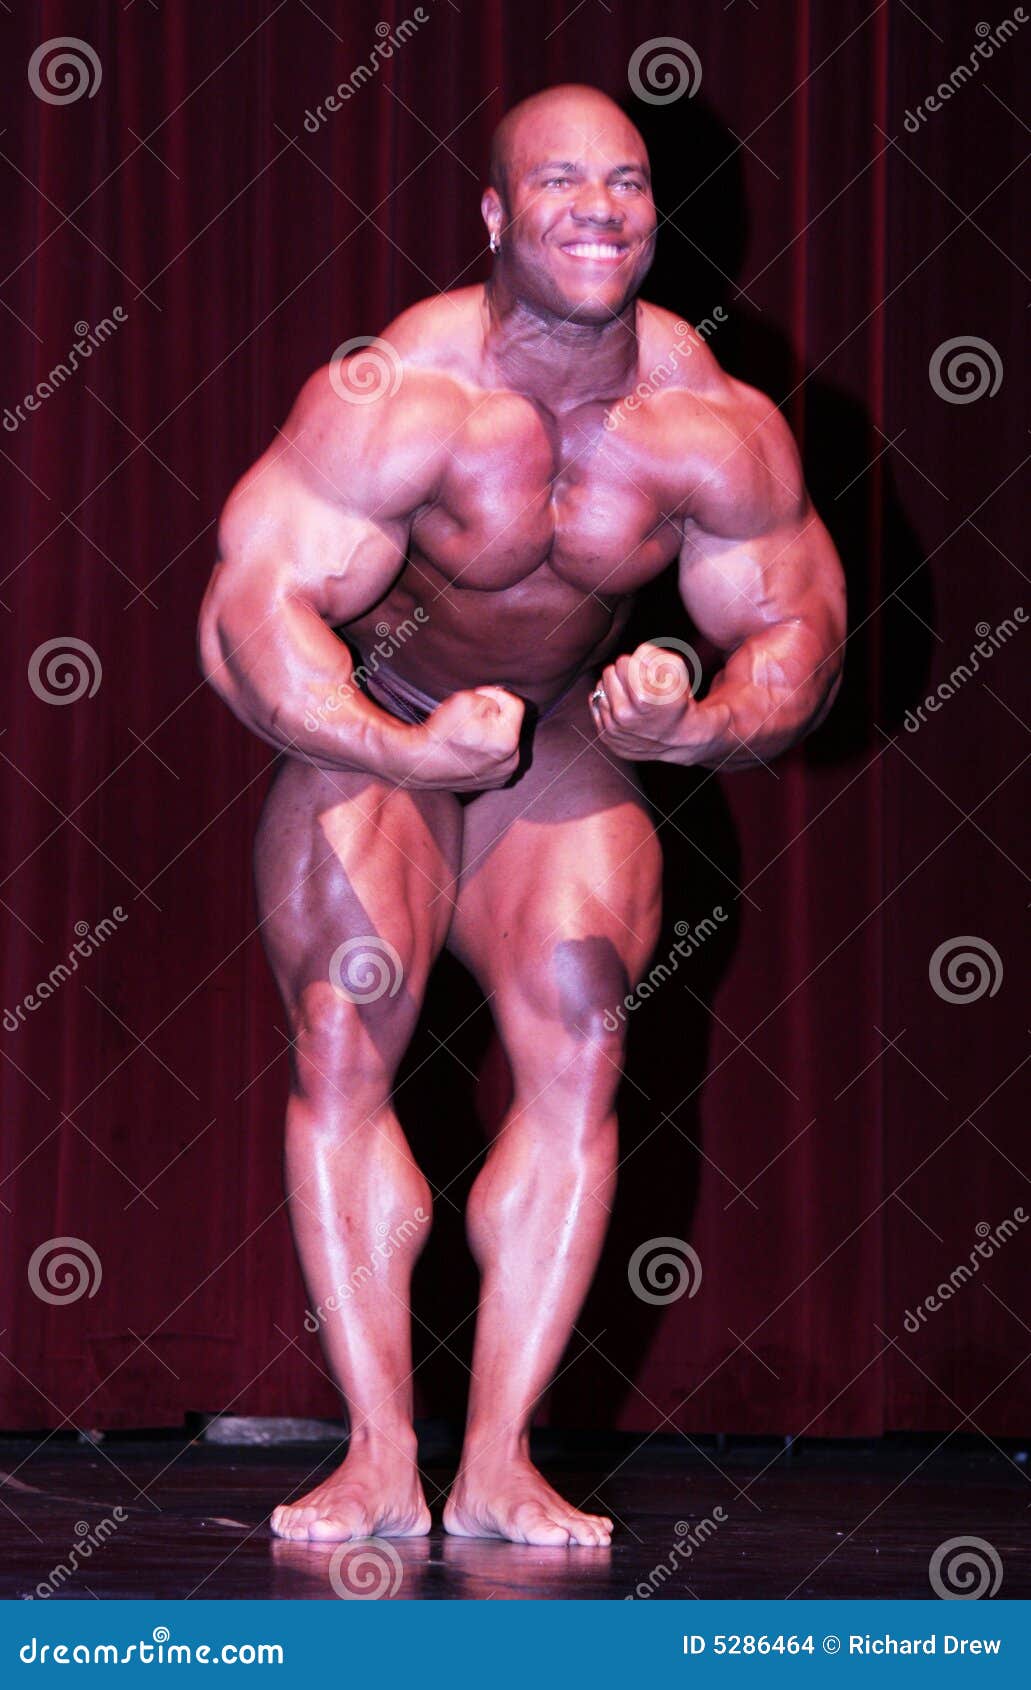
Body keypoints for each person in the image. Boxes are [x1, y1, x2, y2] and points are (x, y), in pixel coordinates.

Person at [198, 83, 845, 1548]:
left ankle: (497, 1462)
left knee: (585, 1027)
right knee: (342, 1024)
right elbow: (248, 623)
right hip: (381, 727)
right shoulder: (397, 396)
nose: (600, 210)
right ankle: (377, 1452)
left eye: (626, 183)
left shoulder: (708, 424)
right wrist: (397, 742)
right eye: (561, 183)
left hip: (552, 747)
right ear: (495, 214)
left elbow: (799, 637)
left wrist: (698, 722)